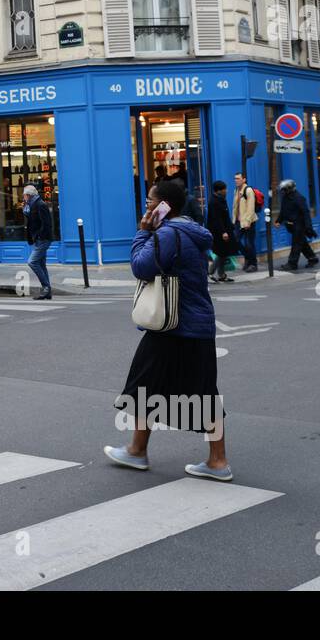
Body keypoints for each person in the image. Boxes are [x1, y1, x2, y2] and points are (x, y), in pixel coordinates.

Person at [104, 178, 231, 481]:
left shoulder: (169, 233)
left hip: (174, 324)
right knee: (196, 391)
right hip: (193, 324)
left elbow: (141, 267)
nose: (146, 206)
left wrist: (142, 233)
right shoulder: (188, 231)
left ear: (165, 206)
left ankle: (140, 451)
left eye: (150, 201)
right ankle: (214, 460)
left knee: (145, 383)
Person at [275, 179, 319, 271]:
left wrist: (308, 227)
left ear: (289, 189)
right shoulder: (285, 197)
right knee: (302, 242)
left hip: (299, 225)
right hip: (290, 225)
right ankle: (312, 258)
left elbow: (306, 213)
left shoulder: (299, 198)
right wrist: (278, 221)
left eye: (284, 189)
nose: (282, 191)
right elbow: (283, 211)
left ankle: (292, 264)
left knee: (296, 244)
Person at [23, 184, 54, 300]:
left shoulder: (40, 205)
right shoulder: (31, 205)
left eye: (24, 195)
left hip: (43, 239)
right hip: (38, 239)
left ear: (28, 195)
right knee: (41, 264)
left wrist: (40, 236)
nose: (23, 197)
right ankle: (47, 292)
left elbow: (46, 224)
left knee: (32, 262)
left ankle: (46, 287)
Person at [205, 181, 238, 283]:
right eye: (225, 189)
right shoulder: (214, 202)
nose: (226, 190)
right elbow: (216, 219)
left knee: (223, 253)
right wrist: (223, 232)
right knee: (221, 253)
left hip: (225, 230)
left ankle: (220, 274)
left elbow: (224, 217)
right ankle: (211, 272)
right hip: (219, 232)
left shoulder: (220, 199)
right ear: (219, 190)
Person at [232, 172, 259, 272]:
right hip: (238, 222)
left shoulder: (248, 190)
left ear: (244, 180)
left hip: (248, 221)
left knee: (249, 243)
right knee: (236, 240)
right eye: (235, 178)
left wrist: (248, 222)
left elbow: (250, 208)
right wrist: (233, 220)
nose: (236, 180)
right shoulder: (236, 190)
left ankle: (253, 264)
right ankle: (248, 257)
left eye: (238, 178)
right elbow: (235, 207)